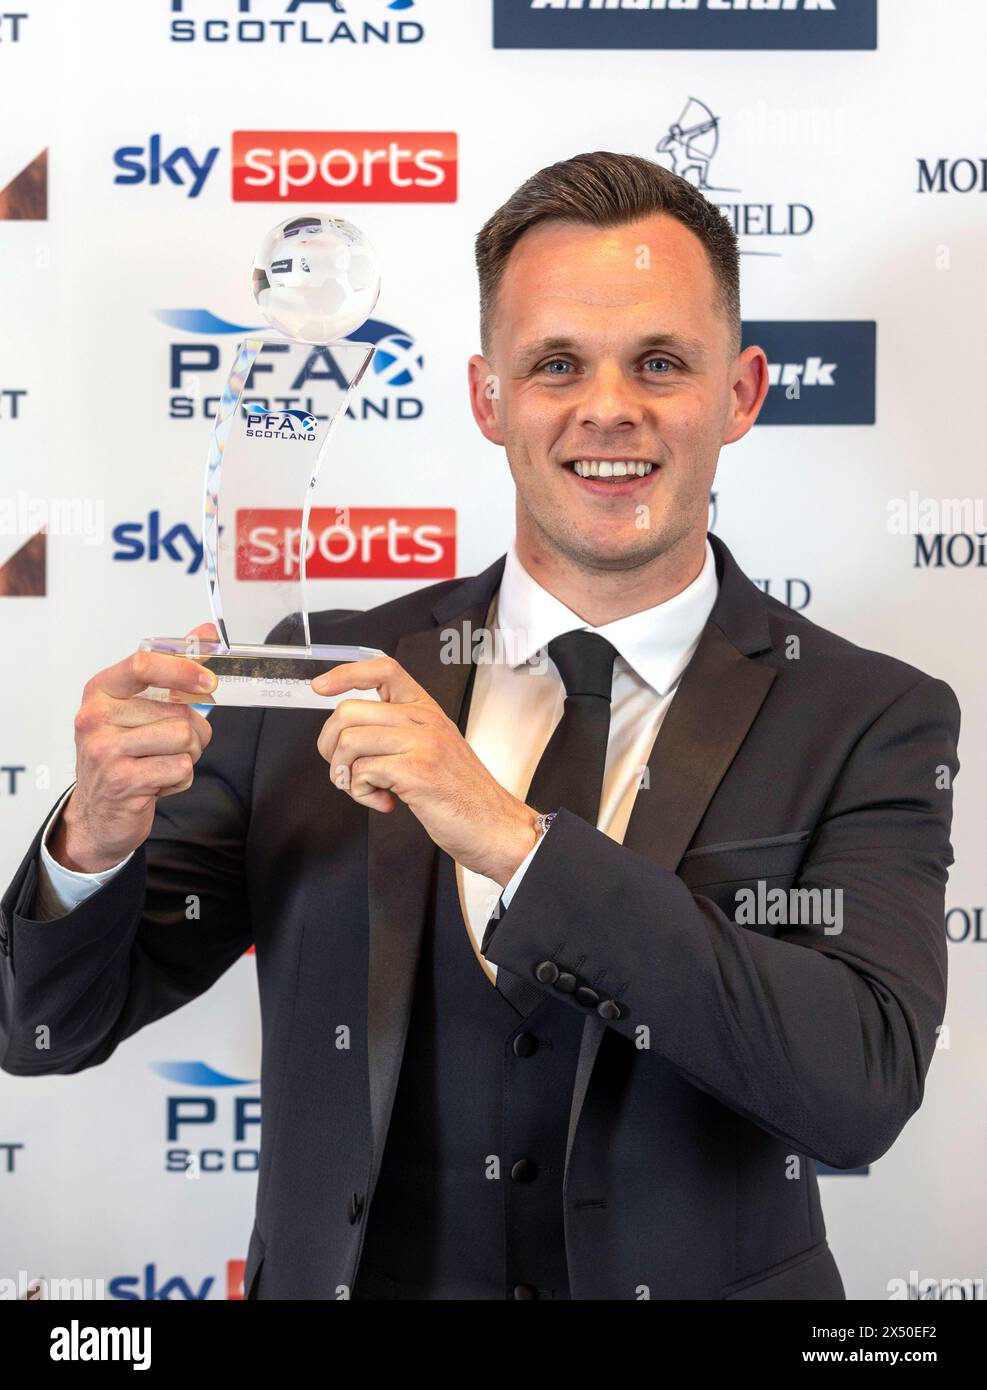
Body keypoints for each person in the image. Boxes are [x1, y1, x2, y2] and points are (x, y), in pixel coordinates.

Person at [0, 152, 960, 1301]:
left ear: (742, 392)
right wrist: (90, 842)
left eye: (661, 361)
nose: (610, 406)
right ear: (487, 396)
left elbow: (857, 1092)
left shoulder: (868, 713)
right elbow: (43, 1029)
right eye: (556, 363)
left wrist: (512, 839)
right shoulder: (318, 675)